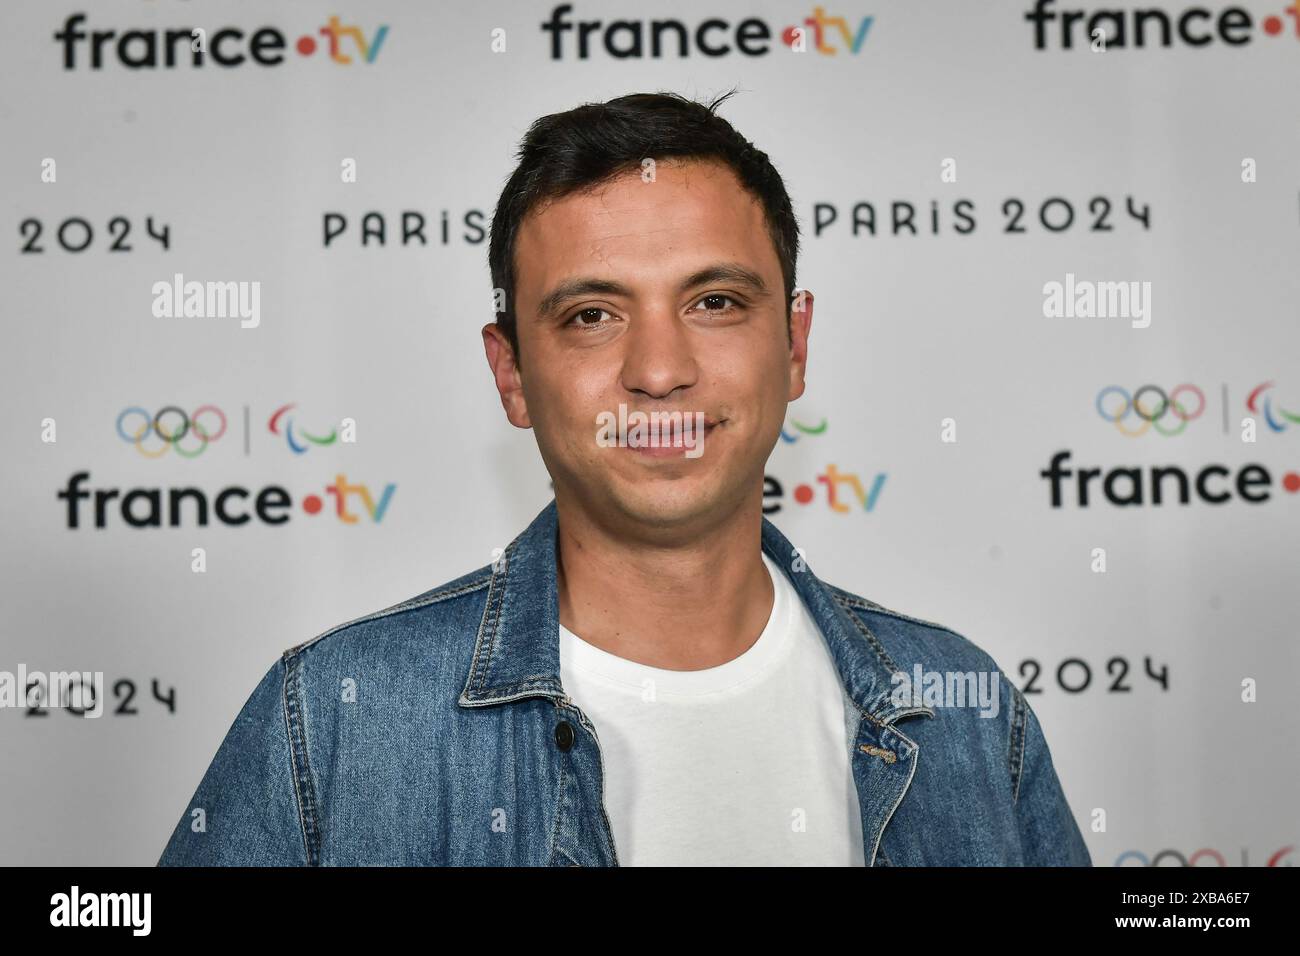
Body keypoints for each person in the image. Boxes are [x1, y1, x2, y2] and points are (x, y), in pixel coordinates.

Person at [158, 90, 1091, 866]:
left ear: (795, 346)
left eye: (715, 302)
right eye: (594, 315)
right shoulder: (332, 719)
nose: (658, 368)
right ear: (512, 373)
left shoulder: (962, 710)